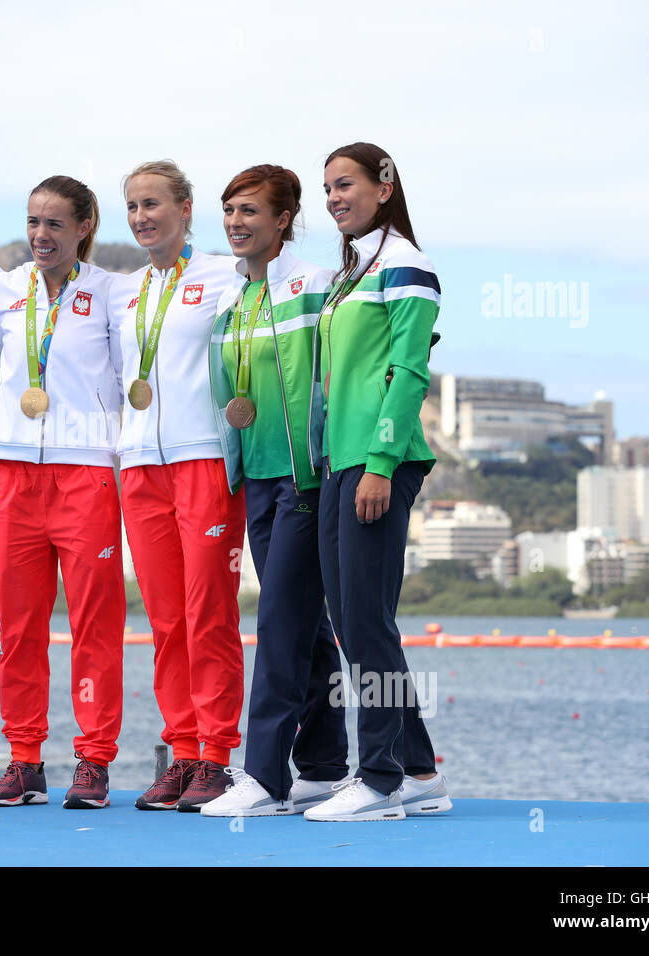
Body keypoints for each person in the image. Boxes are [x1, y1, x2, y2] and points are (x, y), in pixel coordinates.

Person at [198, 165, 352, 818]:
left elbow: (343, 371)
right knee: (308, 627)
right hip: (256, 481)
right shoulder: (233, 304)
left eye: (251, 211)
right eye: (230, 210)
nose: (236, 222)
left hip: (303, 478)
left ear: (284, 219)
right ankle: (321, 766)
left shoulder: (315, 287)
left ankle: (262, 776)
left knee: (281, 621)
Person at [304, 143, 451, 822]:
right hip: (341, 459)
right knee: (355, 620)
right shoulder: (351, 272)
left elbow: (409, 372)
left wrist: (382, 465)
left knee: (365, 620)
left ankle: (381, 780)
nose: (334, 197)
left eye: (347, 185)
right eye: (327, 188)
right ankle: (420, 772)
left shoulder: (406, 267)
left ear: (384, 187)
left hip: (377, 460)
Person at [0, 176, 126, 809]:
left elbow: (129, 376)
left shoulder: (114, 294)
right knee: (18, 627)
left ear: (85, 226)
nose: (41, 235)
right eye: (34, 222)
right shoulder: (3, 290)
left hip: (84, 474)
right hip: (11, 473)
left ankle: (92, 762)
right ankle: (24, 760)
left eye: (56, 224)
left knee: (95, 625)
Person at [106, 161, 246, 812]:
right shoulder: (124, 292)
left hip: (204, 463)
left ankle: (218, 755)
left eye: (153, 204)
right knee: (165, 619)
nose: (141, 217)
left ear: (185, 209)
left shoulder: (226, 274)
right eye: (132, 206)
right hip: (139, 467)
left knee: (208, 611)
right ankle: (183, 750)